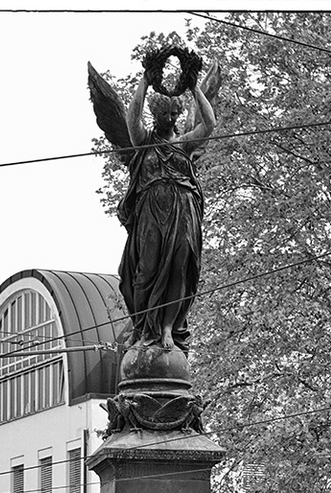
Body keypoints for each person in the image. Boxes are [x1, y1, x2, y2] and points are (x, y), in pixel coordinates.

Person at [117, 50, 216, 354]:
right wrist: (146, 82)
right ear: (156, 115)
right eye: (164, 115)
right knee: (146, 268)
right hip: (151, 213)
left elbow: (209, 124)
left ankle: (168, 327)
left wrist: (194, 86)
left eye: (174, 115)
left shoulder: (184, 144)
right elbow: (131, 118)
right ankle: (143, 325)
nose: (171, 119)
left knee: (179, 266)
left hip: (183, 210)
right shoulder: (145, 141)